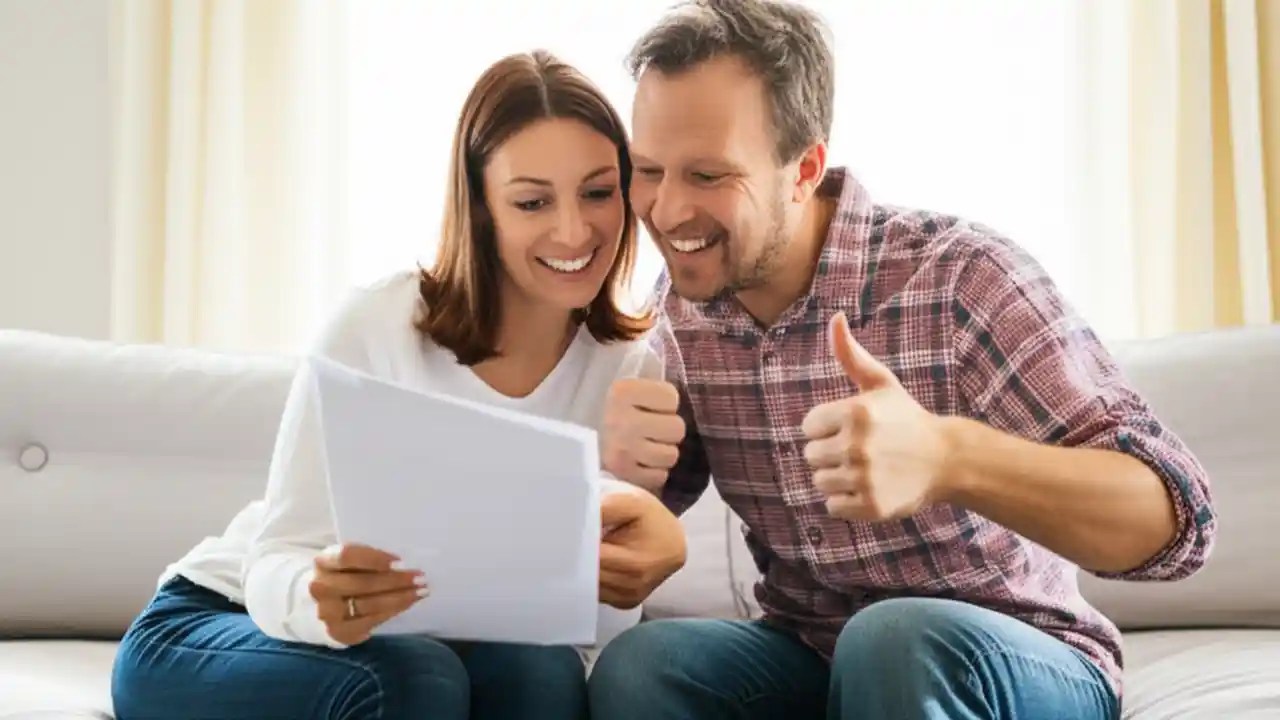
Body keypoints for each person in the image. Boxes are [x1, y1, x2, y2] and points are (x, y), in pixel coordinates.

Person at [592, 1, 1217, 719]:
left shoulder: (961, 281)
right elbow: (640, 516)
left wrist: (949, 458)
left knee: (891, 641)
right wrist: (624, 475)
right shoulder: (680, 309)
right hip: (812, 655)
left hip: (1016, 662)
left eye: (708, 176)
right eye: (649, 170)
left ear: (804, 169)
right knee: (645, 666)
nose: (667, 211)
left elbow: (1180, 523)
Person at [110, 50, 687, 720]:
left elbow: (589, 638)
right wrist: (322, 601)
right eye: (532, 201)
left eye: (597, 192)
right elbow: (275, 562)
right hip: (224, 623)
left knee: (543, 675)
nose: (573, 229)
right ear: (481, 209)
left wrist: (620, 507)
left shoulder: (631, 371)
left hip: (434, 653)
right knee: (416, 678)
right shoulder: (379, 324)